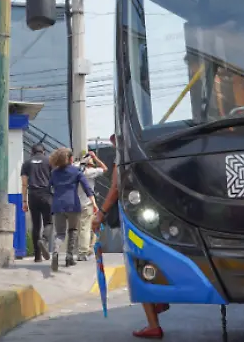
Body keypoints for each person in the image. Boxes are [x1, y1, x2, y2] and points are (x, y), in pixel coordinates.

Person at [93, 143, 169, 339]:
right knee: (155, 260)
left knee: (139, 265)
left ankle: (153, 324)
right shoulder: (148, 151)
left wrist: (101, 213)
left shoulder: (123, 155)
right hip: (157, 214)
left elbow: (115, 188)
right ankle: (160, 300)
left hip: (137, 217)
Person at [47, 147, 96, 272]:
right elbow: (87, 188)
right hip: (73, 205)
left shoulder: (54, 173)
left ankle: (56, 251)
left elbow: (49, 188)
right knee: (73, 230)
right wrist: (94, 203)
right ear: (70, 159)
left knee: (60, 234)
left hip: (58, 205)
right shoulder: (76, 171)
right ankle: (69, 257)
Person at [20, 144, 52, 262]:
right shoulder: (49, 161)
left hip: (32, 195)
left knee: (36, 225)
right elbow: (53, 179)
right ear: (43, 151)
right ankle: (43, 240)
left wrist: (24, 201)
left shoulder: (27, 163)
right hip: (46, 194)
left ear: (31, 152)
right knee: (48, 222)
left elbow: (24, 183)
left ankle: (37, 257)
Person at [75, 150, 107, 261]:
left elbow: (75, 165)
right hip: (88, 202)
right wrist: (95, 157)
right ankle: (84, 251)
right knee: (87, 227)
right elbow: (105, 168)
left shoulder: (75, 170)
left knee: (80, 228)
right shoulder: (90, 172)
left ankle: (85, 249)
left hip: (75, 202)